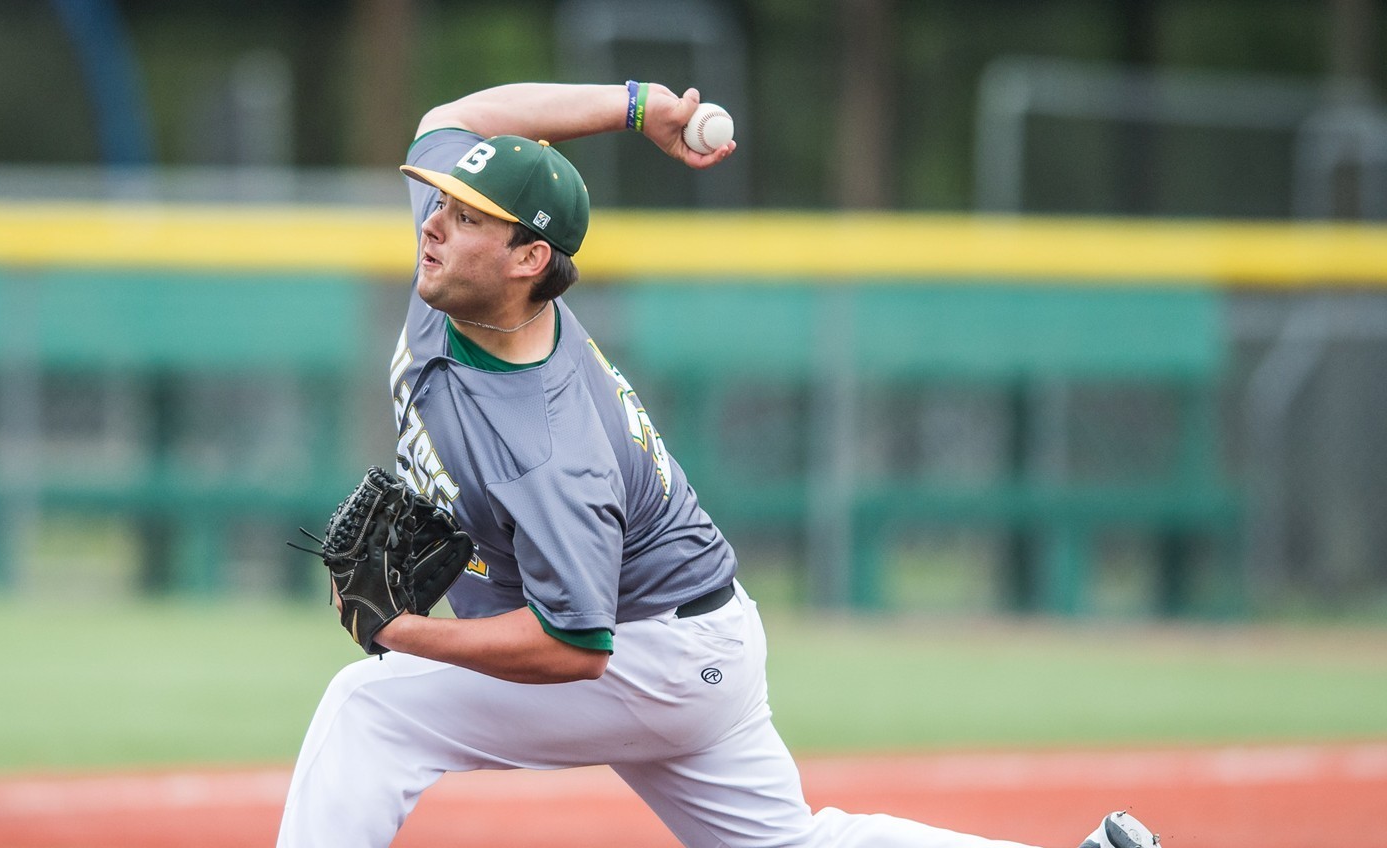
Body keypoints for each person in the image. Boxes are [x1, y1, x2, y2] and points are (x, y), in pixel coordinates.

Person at [275, 80, 1159, 848]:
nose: (433, 224)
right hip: (701, 636)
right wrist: (636, 106)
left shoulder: (550, 447)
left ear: (528, 258)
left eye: (466, 217)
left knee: (371, 709)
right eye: (438, 202)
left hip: (648, 652)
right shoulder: (459, 282)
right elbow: (455, 114)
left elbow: (576, 646)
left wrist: (403, 633)